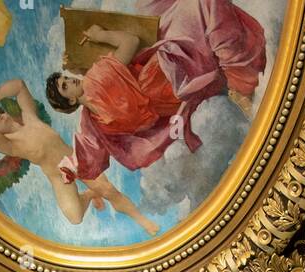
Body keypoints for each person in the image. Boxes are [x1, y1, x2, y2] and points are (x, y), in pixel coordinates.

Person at [46, 0, 266, 184]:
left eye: (65, 78)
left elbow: (87, 154)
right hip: (167, 70)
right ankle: (239, 76)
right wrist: (100, 35)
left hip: (171, 101)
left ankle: (234, 78)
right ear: (71, 100)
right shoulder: (97, 78)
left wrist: (71, 169)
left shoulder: (94, 123)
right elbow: (130, 42)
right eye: (65, 86)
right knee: (200, 4)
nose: (69, 79)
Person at [0, 74, 159, 235]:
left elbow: (19, 86)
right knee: (75, 217)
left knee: (108, 191)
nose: (0, 114)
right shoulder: (9, 145)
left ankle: (142, 220)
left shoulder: (30, 117)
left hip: (77, 161)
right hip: (58, 176)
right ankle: (88, 194)